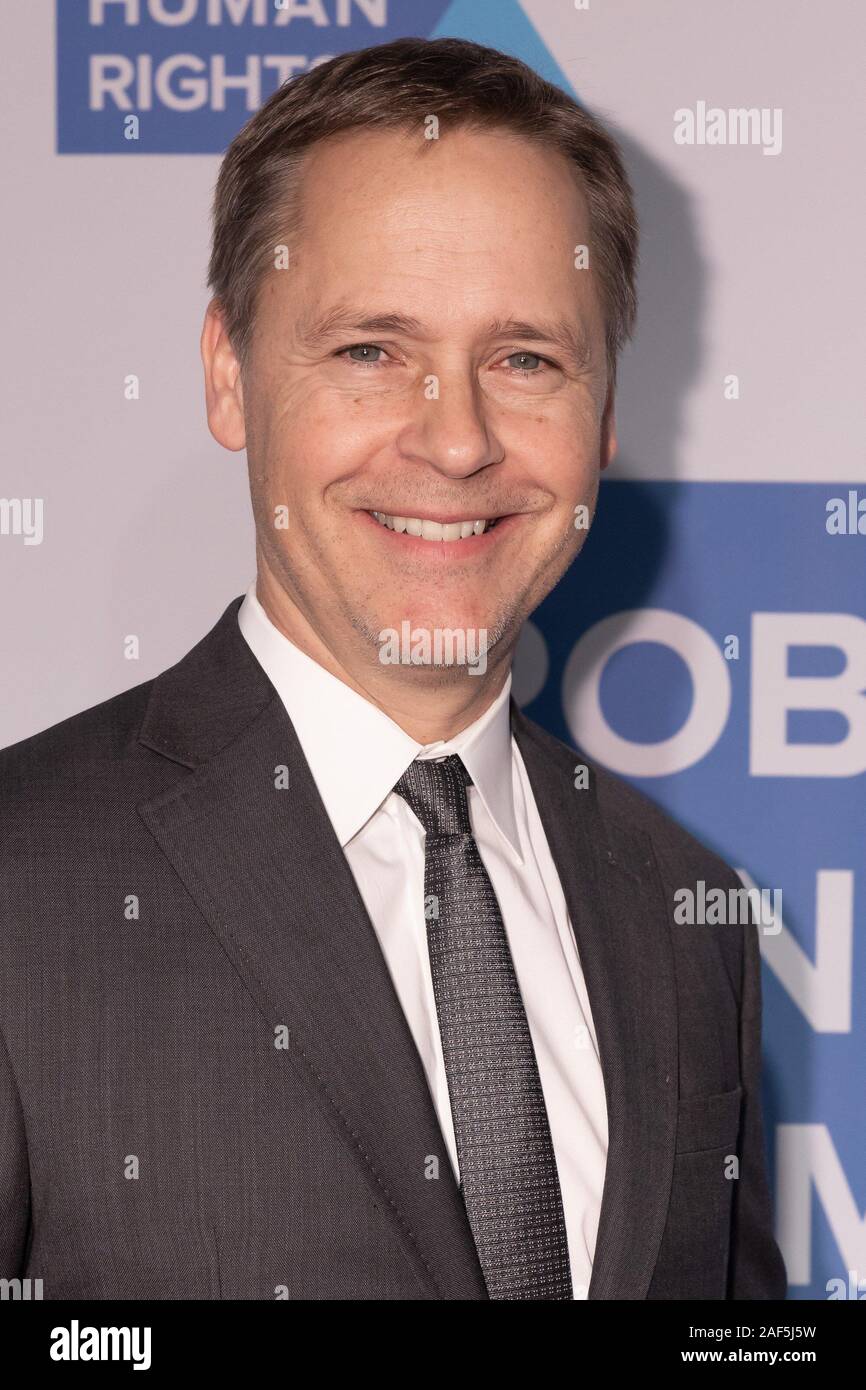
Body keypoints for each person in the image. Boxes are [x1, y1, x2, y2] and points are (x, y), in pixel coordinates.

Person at [0, 37, 786, 1300]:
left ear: (604, 411)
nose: (458, 437)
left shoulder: (684, 914)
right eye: (370, 350)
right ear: (228, 374)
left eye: (525, 358)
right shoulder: (22, 881)